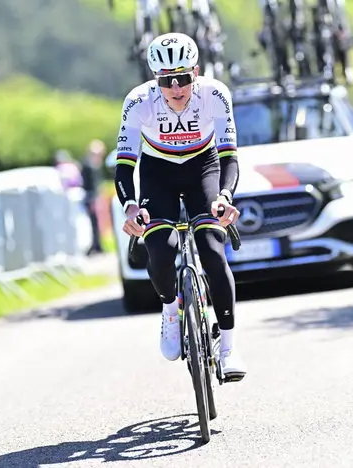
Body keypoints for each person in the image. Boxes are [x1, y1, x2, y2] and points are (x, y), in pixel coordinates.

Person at [114, 32, 246, 381]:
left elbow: (230, 157)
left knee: (212, 249)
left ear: (196, 73)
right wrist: (130, 207)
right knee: (161, 247)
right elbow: (125, 165)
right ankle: (171, 310)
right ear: (154, 79)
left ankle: (228, 348)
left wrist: (225, 196)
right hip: (157, 173)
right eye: (166, 81)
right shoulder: (138, 101)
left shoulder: (215, 94)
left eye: (183, 79)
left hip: (203, 167)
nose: (175, 88)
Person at [80, 140, 105, 255]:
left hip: (93, 197)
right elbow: (90, 185)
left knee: (96, 223)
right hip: (91, 198)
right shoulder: (89, 165)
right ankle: (94, 245)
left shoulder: (93, 165)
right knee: (92, 223)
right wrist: (93, 200)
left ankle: (97, 244)